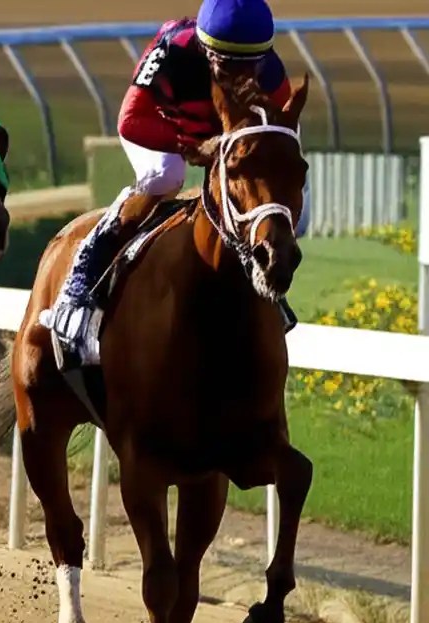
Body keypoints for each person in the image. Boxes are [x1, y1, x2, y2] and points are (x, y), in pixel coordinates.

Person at [43, 0, 310, 368]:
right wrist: (193, 147)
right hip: (161, 126)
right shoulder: (174, 52)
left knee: (287, 200)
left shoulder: (269, 71)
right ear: (205, 49)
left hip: (221, 135)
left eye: (250, 65)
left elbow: (281, 136)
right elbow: (130, 121)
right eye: (227, 66)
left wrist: (262, 115)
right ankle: (82, 279)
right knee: (167, 176)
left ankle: (263, 275)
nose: (239, 76)